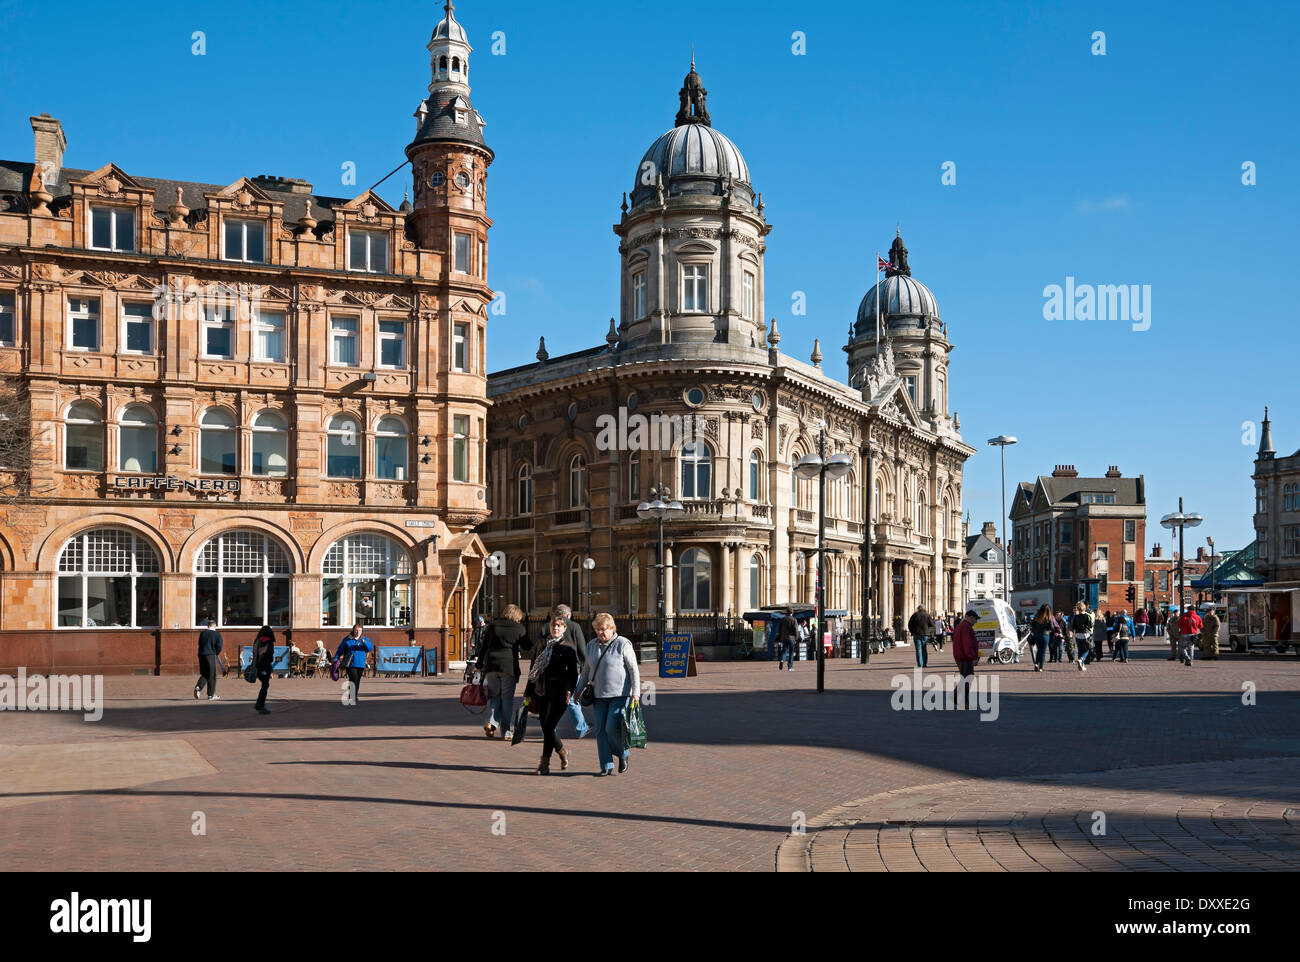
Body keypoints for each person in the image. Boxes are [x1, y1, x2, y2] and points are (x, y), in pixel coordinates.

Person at [574, 612, 641, 776]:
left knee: (611, 728)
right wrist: (578, 691)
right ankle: (606, 764)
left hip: (620, 694)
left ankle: (623, 754)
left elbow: (633, 670)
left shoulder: (623, 644)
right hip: (598, 695)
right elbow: (585, 672)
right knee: (600, 731)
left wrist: (636, 692)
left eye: (603, 629)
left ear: (611, 628)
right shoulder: (591, 645)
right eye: (597, 629)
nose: (600, 632)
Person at [528, 614, 580, 774]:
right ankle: (562, 751)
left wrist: (570, 690)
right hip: (541, 691)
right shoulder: (541, 645)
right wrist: (528, 693)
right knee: (546, 727)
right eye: (553, 625)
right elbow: (533, 670)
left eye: (559, 626)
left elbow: (573, 674)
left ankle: (544, 764)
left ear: (564, 629)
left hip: (560, 693)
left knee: (549, 726)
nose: (555, 628)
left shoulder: (568, 648)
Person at [476, 604, 525, 737]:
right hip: (509, 667)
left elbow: (483, 647)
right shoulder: (519, 628)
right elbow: (527, 645)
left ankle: (491, 722)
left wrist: (479, 664)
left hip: (491, 666)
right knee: (507, 699)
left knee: (496, 696)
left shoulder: (492, 626)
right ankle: (506, 731)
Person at [553, 604, 589, 737]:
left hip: (554, 669)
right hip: (572, 668)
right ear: (568, 615)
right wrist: (585, 669)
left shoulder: (548, 626)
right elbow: (582, 649)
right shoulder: (575, 626)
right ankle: (581, 728)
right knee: (573, 699)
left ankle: (551, 730)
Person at [334, 622, 374, 704]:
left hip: (360, 663)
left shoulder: (365, 639)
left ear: (362, 631)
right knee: (353, 679)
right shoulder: (347, 639)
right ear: (353, 630)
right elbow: (340, 649)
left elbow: (370, 648)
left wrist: (364, 642)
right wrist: (336, 658)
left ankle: (354, 694)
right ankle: (353, 696)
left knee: (357, 680)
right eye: (356, 630)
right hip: (350, 663)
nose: (358, 632)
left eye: (360, 630)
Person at [951, 609, 979, 708]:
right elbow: (967, 644)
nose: (976, 621)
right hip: (965, 657)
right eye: (976, 619)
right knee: (968, 679)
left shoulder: (961, 626)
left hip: (960, 656)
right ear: (970, 617)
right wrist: (972, 657)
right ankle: (964, 702)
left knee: (964, 678)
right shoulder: (966, 627)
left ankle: (955, 695)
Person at [193, 617, 224, 701]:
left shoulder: (202, 633)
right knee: (212, 675)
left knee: (205, 674)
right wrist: (216, 652)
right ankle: (211, 695)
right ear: (215, 626)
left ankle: (198, 687)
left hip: (201, 655)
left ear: (208, 626)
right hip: (211, 655)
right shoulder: (217, 634)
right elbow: (220, 645)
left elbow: (199, 643)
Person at [252, 625, 275, 714]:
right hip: (265, 666)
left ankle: (259, 704)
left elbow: (254, 653)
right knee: (265, 686)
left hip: (257, 666)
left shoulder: (257, 641)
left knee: (264, 685)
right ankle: (260, 705)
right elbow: (269, 655)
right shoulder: (269, 642)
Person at [1030, 604, 1058, 672]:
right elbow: (1051, 626)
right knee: (1043, 652)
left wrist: (1034, 631)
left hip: (1037, 635)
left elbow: (1032, 625)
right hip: (1045, 635)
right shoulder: (1049, 617)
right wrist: (1054, 632)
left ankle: (1036, 664)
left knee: (1039, 650)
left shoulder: (1037, 616)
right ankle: (1040, 667)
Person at [1072, 603, 1096, 671]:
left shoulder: (1076, 616)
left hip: (1077, 634)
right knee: (1087, 649)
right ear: (1084, 608)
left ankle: (1082, 665)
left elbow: (1074, 626)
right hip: (1085, 634)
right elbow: (1090, 625)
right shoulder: (1087, 616)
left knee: (1080, 650)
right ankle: (1082, 659)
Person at [776, 606, 797, 671]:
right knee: (791, 652)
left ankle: (782, 660)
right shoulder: (794, 619)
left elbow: (779, 629)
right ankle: (790, 667)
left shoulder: (782, 619)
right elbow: (795, 629)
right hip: (791, 638)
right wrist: (796, 637)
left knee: (784, 651)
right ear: (792, 612)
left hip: (784, 638)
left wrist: (780, 636)